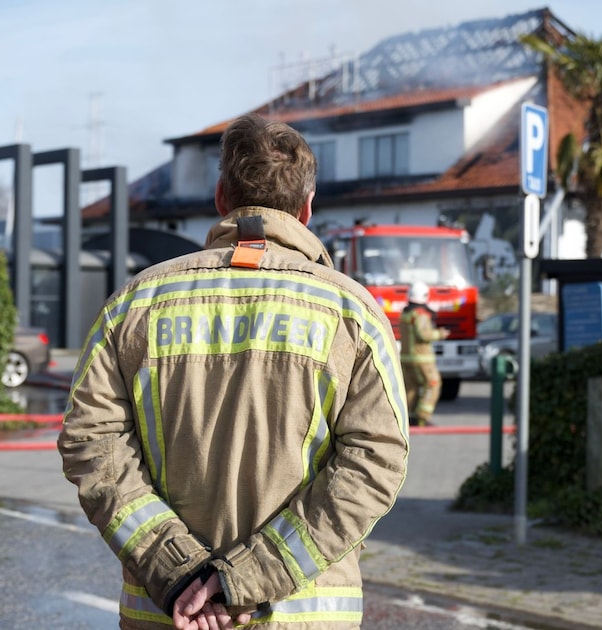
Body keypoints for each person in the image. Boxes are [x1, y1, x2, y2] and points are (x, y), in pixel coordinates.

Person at [58, 113, 409, 630]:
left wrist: (180, 571)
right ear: (307, 209)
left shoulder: (134, 303)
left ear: (222, 198)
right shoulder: (352, 313)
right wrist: (242, 580)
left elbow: (92, 444)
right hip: (301, 618)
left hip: (167, 614)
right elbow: (375, 461)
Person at [399, 282, 449, 426]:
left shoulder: (406, 313)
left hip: (406, 358)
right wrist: (440, 333)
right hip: (422, 358)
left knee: (411, 387)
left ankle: (409, 416)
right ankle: (422, 416)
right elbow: (423, 334)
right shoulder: (420, 315)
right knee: (433, 384)